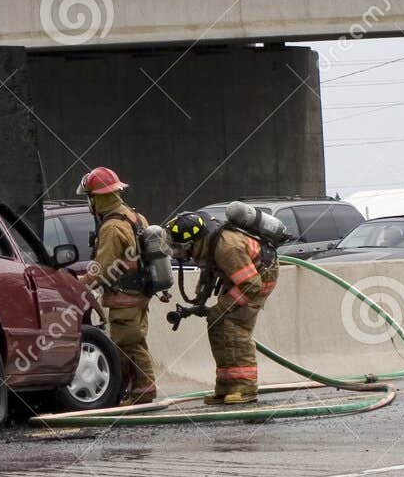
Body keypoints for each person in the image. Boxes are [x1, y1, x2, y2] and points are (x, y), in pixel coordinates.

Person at [167, 209, 279, 406]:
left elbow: (252, 285)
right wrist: (201, 301)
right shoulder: (209, 243)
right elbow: (211, 271)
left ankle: (245, 388)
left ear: (191, 242)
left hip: (260, 279)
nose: (178, 253)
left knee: (234, 329)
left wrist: (222, 307)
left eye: (179, 248)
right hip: (242, 280)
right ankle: (226, 387)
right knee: (217, 326)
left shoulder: (227, 248)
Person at [77, 166, 162, 405]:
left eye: (90, 197)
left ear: (98, 198)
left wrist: (80, 283)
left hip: (124, 295)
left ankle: (143, 390)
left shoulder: (112, 227)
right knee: (134, 341)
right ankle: (136, 390)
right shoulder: (134, 216)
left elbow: (102, 268)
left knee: (127, 345)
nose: (89, 202)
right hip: (139, 293)